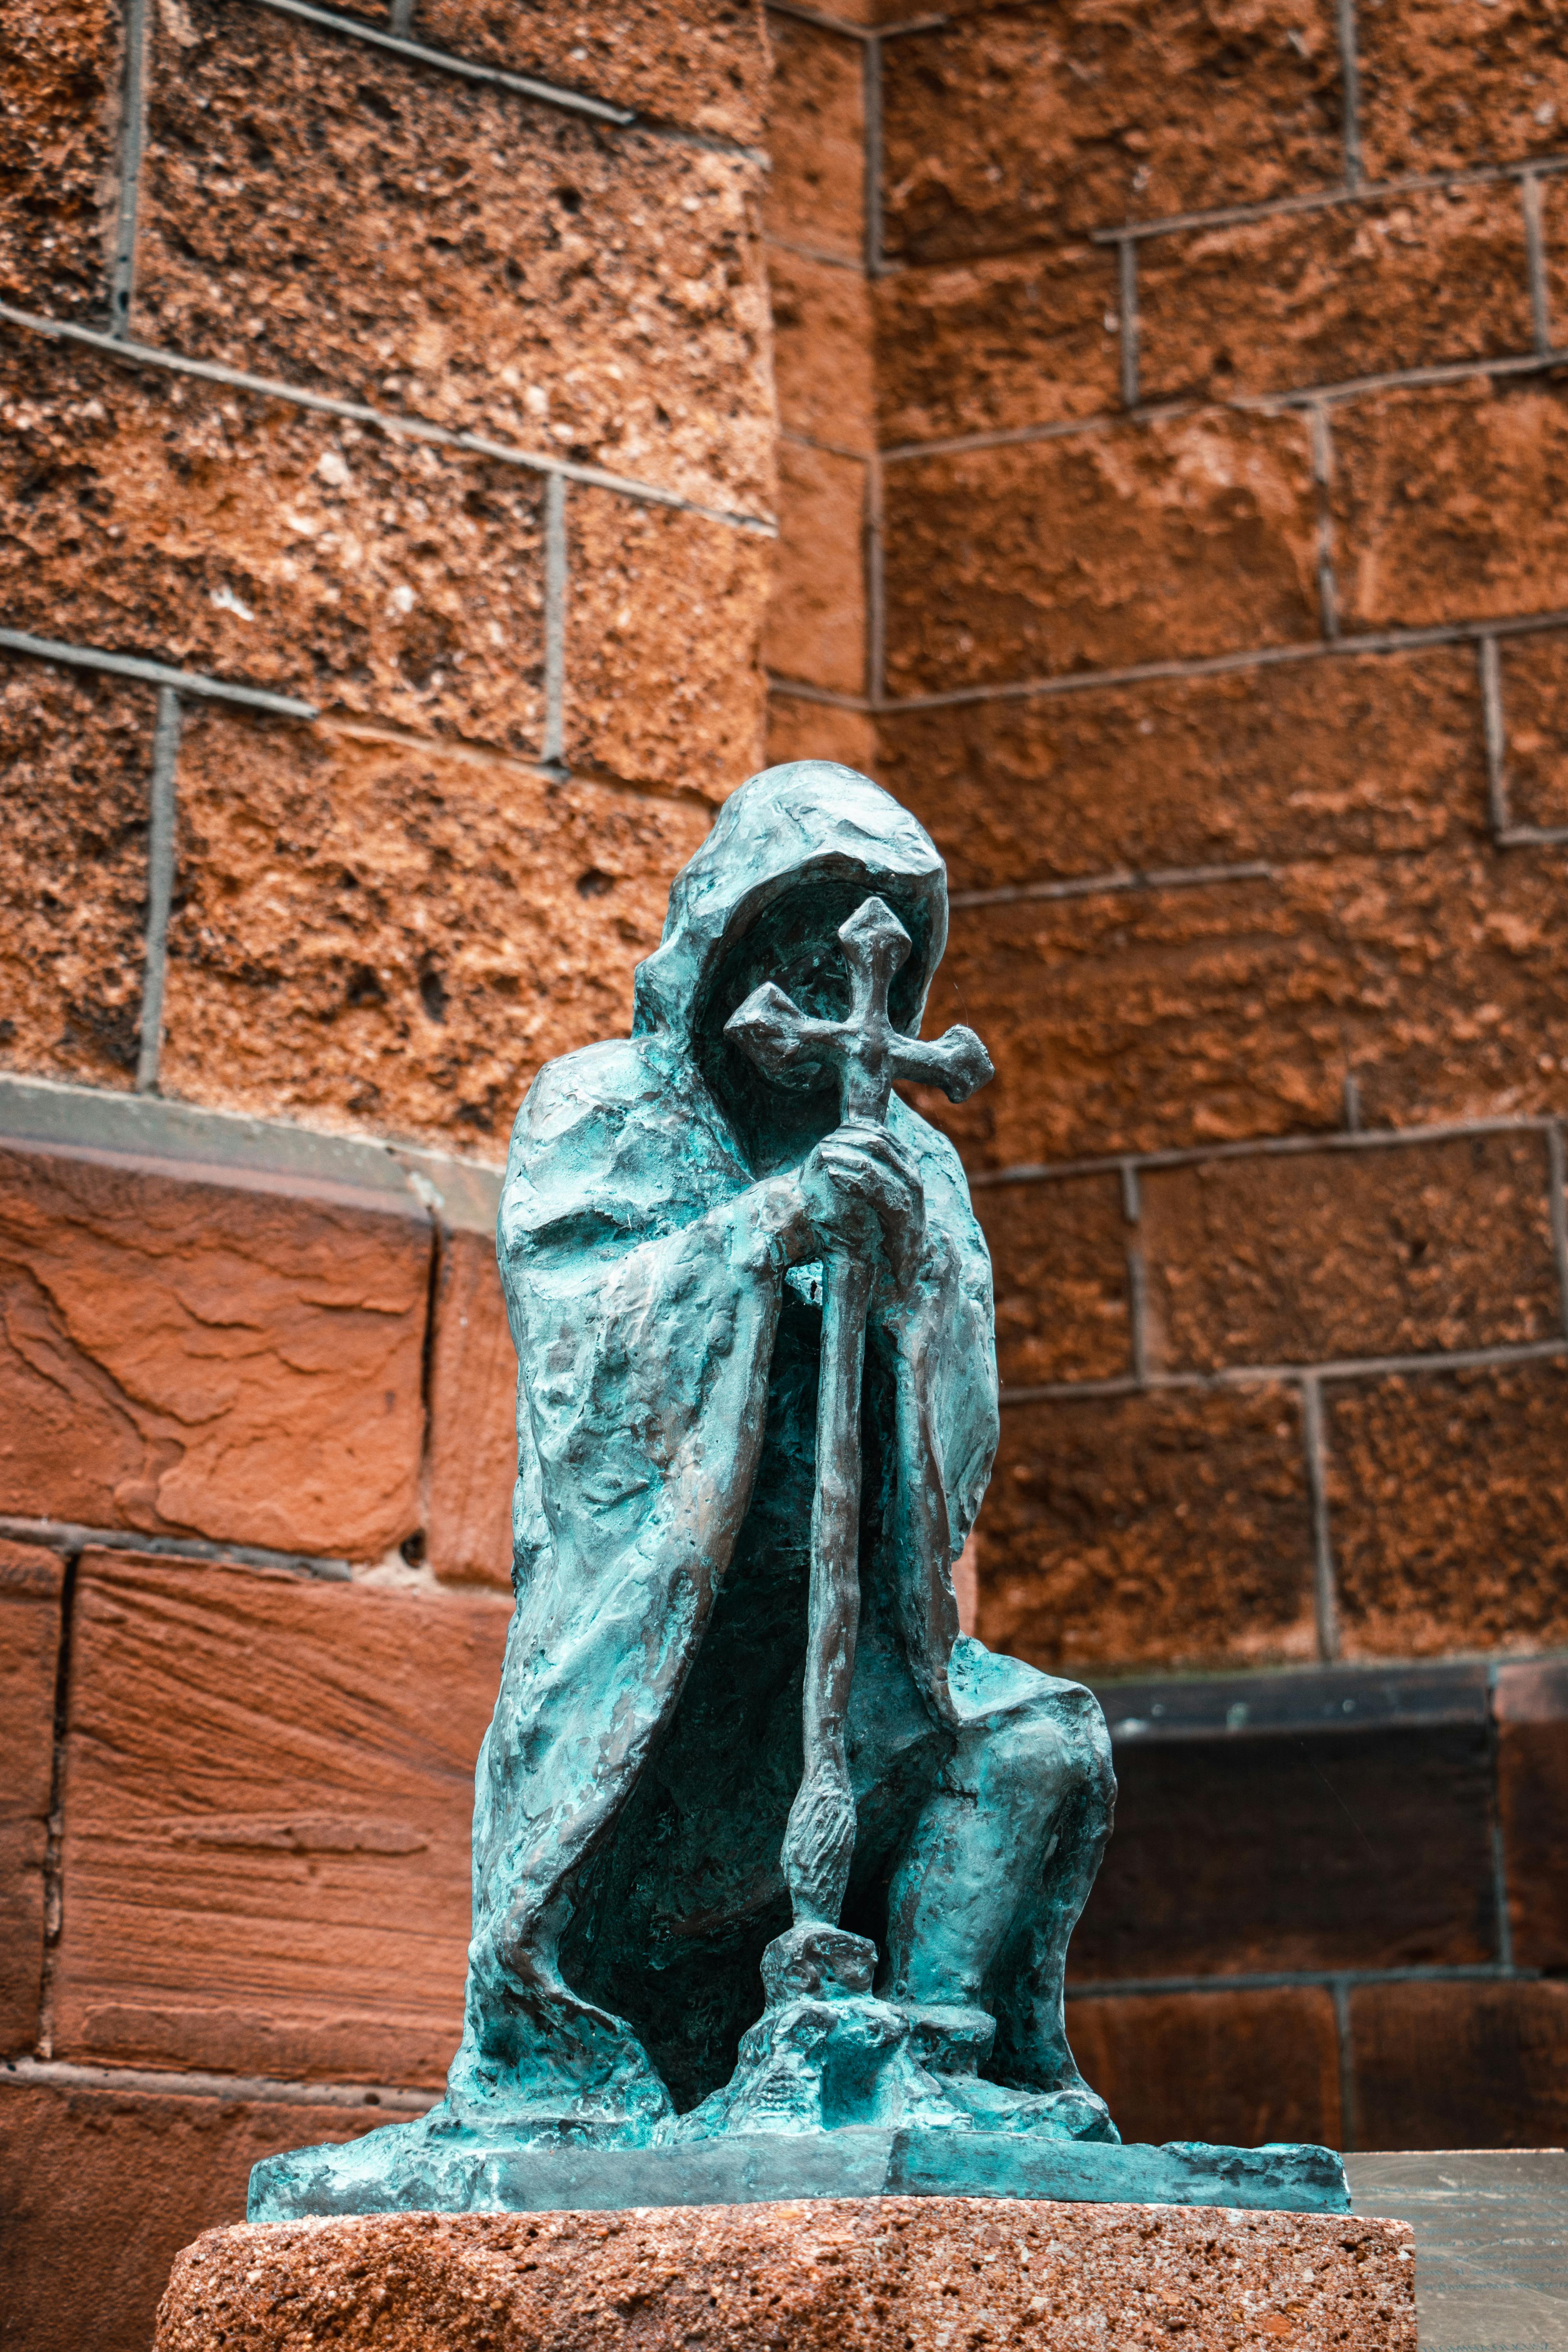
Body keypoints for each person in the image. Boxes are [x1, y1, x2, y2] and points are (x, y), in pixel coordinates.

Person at [437, 759, 1118, 2148]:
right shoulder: (600, 1114)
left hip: (849, 1672)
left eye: (870, 965)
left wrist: (915, 1289)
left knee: (1033, 1737)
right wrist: (773, 1231)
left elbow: (959, 1454)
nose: (835, 1000)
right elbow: (581, 1351)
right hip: (668, 1700)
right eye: (796, 959)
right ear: (724, 949)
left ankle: (927, 2052)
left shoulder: (913, 1157)